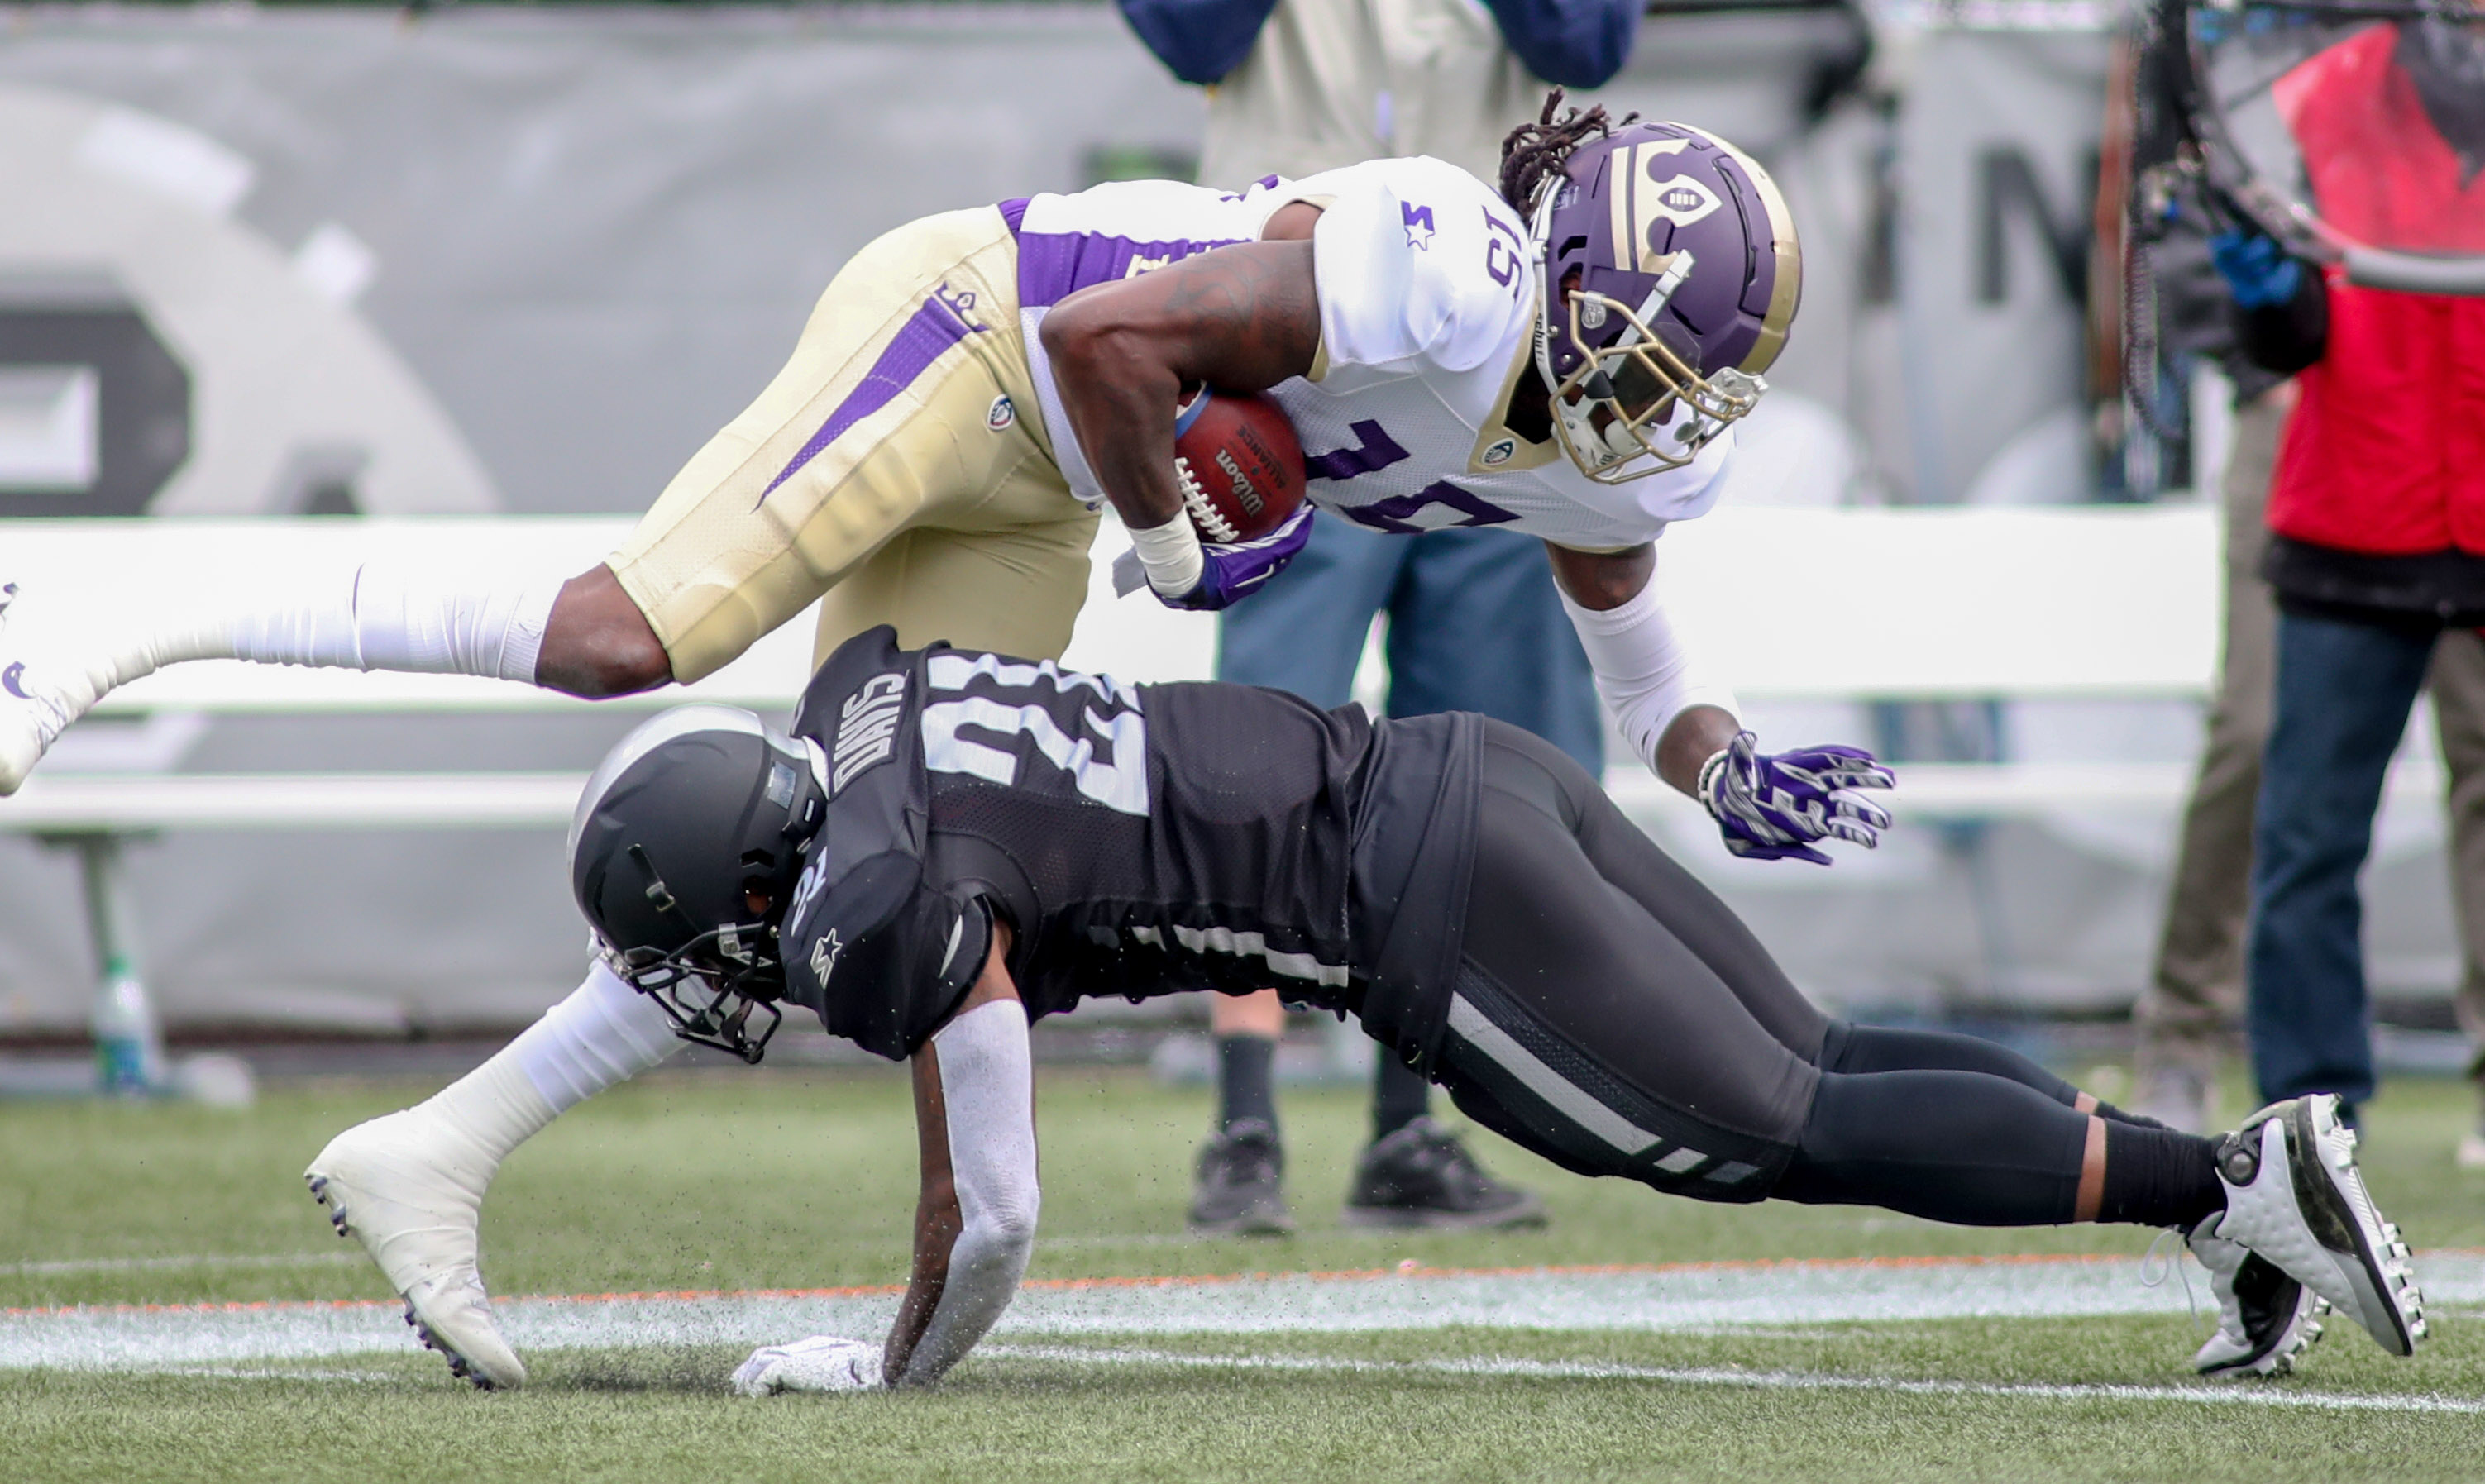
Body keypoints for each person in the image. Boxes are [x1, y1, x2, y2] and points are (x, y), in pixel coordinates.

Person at [0, 100, 1896, 1386]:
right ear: (1550, 261)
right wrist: (1174, 540)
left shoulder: (1594, 438)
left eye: (1679, 381)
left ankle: (451, 1152)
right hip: (988, 334)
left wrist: (1723, 766)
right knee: (630, 632)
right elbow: (1111, 348)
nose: (1645, 409)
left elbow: (1646, 686)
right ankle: (117, 619)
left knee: (910, 863)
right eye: (1631, 352)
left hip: (1040, 493)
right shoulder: (1446, 262)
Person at [318, 627, 2426, 1395]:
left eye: (702, 944)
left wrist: (885, 1376)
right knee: (1822, 1056)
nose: (714, 989)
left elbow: (999, 1218)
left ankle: (2240, 1176)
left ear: (762, 880)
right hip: (1457, 767)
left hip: (1416, 901)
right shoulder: (859, 704)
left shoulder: (880, 909)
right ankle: (2221, 1211)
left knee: (1763, 1130)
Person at [1118, 0, 1645, 1234]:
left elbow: (1587, 44)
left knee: (1466, 768)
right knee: (1253, 755)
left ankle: (1406, 1135)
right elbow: (1187, 37)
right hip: (1291, 359)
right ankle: (1242, 1124)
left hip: (1490, 372)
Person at [2202, 12, 2485, 1143]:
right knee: (2308, 839)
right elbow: (2289, 333)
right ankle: (2308, 1120)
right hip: (2354, 515)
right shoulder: (2323, 93)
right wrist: (2263, 296)